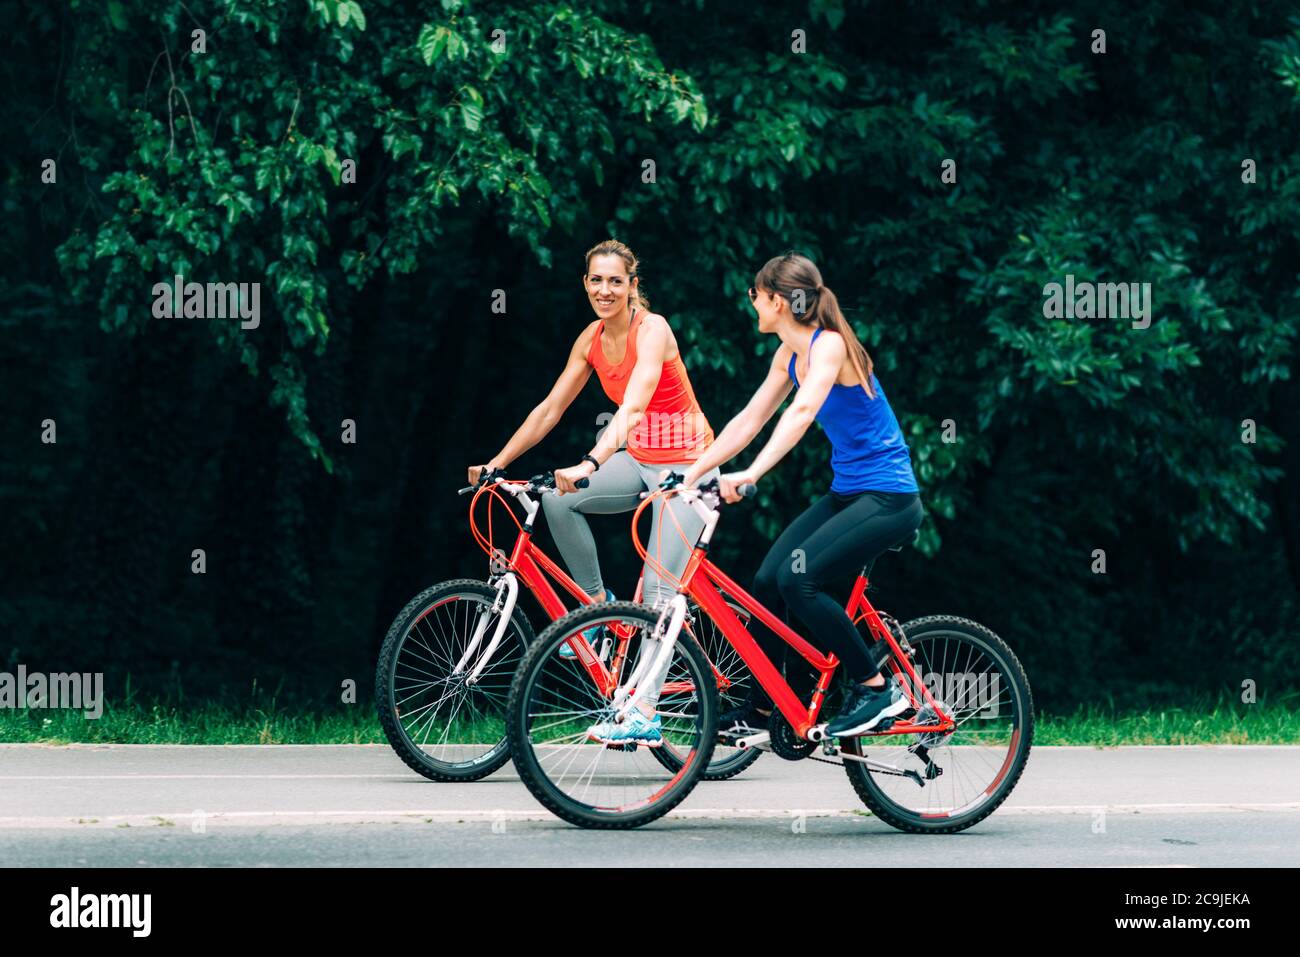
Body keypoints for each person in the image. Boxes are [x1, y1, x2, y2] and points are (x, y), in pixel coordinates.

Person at [469, 239, 718, 746]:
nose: (605, 290)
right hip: (640, 461)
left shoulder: (654, 331)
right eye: (596, 281)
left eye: (615, 281)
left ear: (632, 286)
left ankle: (645, 713)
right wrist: (498, 463)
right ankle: (598, 612)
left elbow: (631, 406)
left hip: (690, 469)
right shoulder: (590, 338)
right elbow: (549, 409)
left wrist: (591, 461)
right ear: (585, 284)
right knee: (558, 500)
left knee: (657, 590)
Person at [680, 252, 923, 738]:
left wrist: (751, 473)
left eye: (755, 294)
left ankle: (877, 689)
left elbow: (802, 411)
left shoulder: (829, 346)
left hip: (889, 497)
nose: (751, 303)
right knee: (769, 581)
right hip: (849, 493)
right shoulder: (786, 355)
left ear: (776, 300)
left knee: (799, 581)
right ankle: (764, 708)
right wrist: (692, 473)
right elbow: (749, 420)